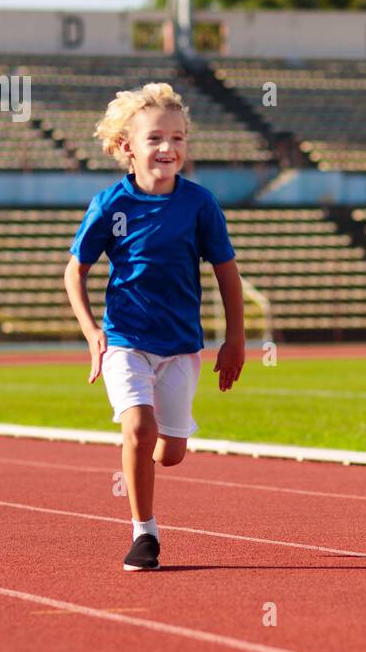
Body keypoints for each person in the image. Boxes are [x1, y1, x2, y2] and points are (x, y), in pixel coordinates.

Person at [63, 83, 245, 570]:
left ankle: (148, 455)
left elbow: (226, 271)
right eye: (156, 139)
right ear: (127, 147)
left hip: (182, 345)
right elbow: (74, 271)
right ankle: (145, 534)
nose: (169, 148)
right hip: (125, 339)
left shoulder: (200, 204)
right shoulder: (109, 205)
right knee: (139, 430)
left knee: (173, 452)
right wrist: (91, 332)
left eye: (179, 138)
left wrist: (236, 338)